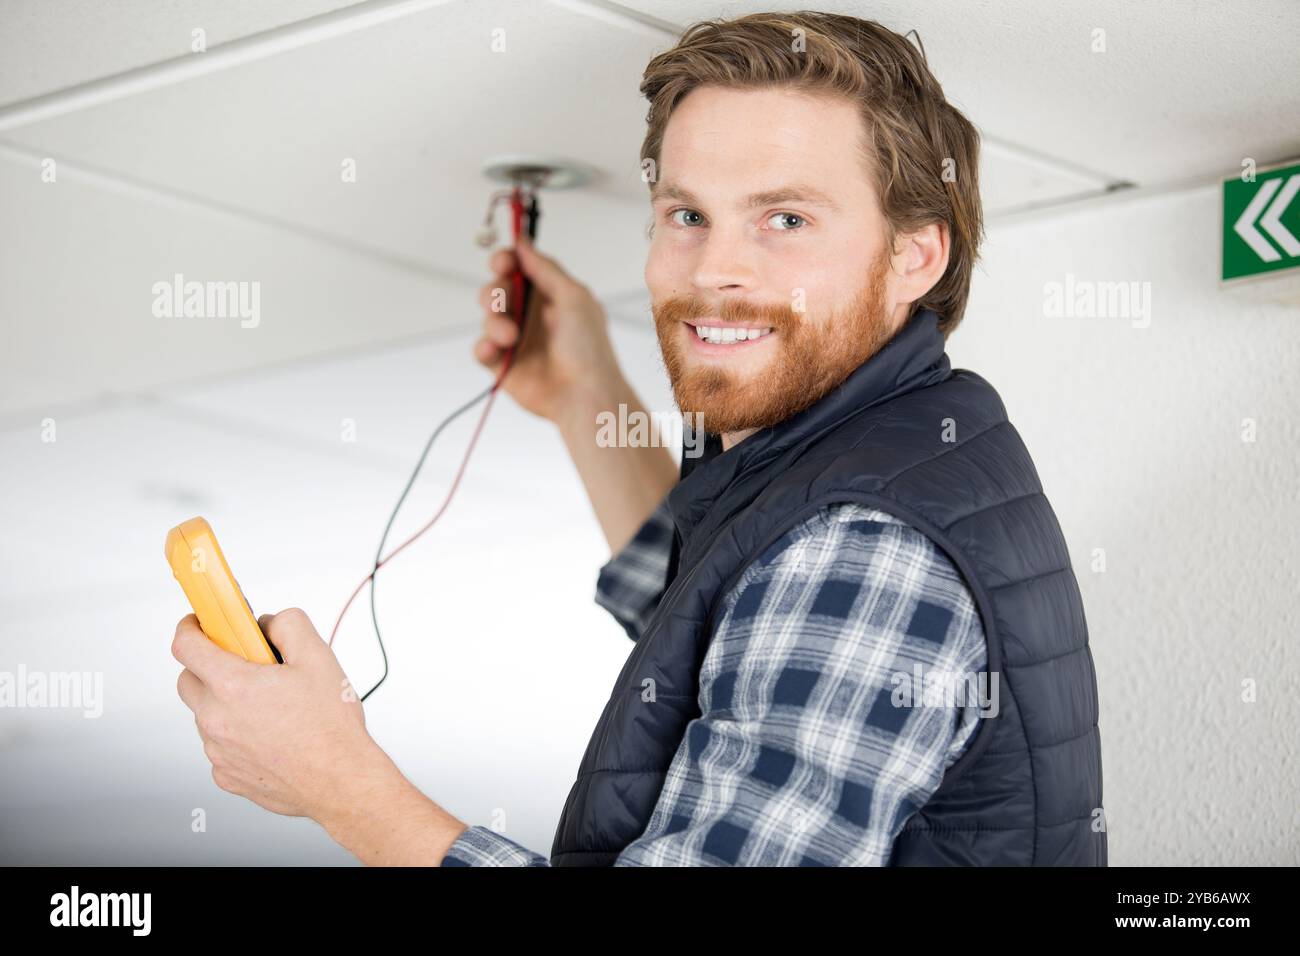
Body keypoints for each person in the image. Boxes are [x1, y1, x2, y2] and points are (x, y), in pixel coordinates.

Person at [173, 11, 1105, 866]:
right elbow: (717, 619)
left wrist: (342, 788)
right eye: (687, 216)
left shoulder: (867, 543)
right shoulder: (866, 462)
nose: (717, 270)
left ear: (915, 255)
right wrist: (587, 397)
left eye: (786, 219)